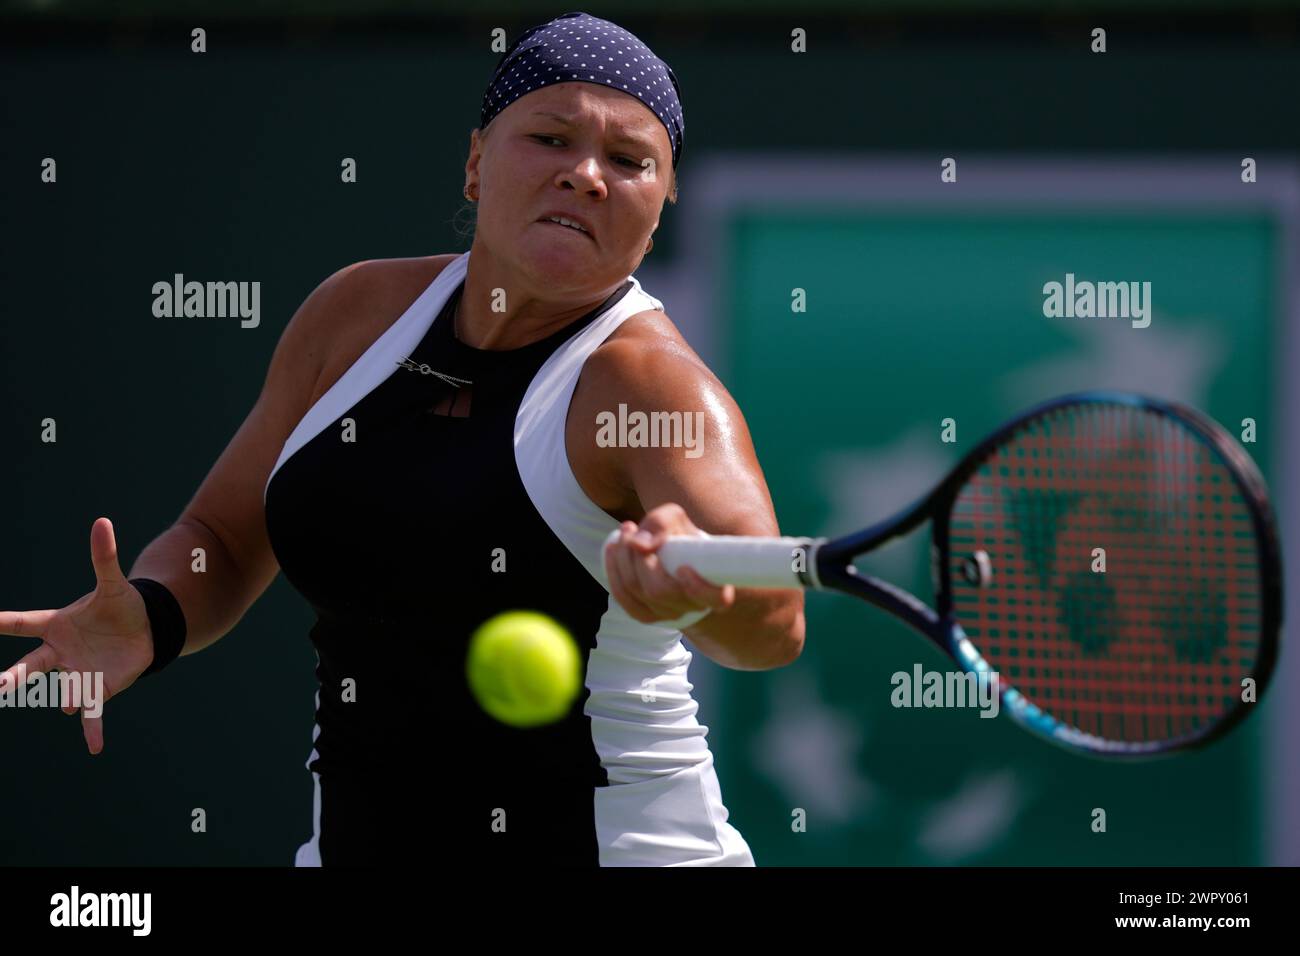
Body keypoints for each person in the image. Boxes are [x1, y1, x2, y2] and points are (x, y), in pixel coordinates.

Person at [0, 11, 803, 866]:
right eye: (551, 136)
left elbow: (775, 619)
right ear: (474, 163)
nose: (586, 175)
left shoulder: (650, 385)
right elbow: (223, 539)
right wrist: (155, 615)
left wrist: (698, 591)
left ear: (657, 209)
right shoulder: (353, 315)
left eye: (629, 161)